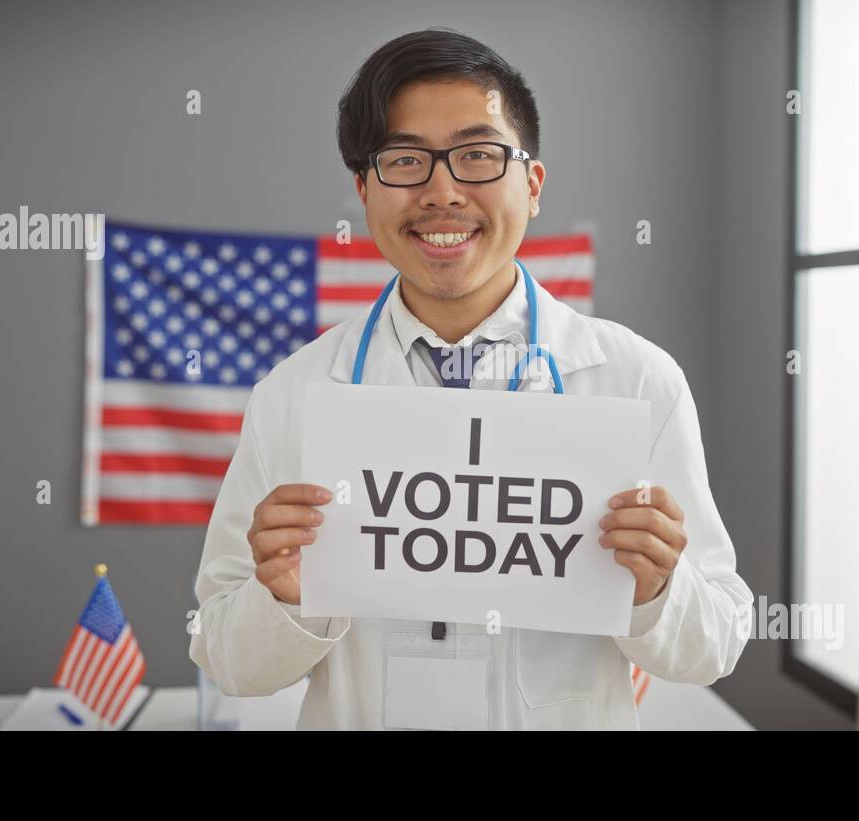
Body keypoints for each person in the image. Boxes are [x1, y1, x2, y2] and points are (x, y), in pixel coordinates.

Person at [189, 27, 752, 730]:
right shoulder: (291, 395)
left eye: (478, 155)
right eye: (404, 161)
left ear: (533, 183)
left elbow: (719, 639)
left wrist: (658, 587)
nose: (443, 191)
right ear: (364, 191)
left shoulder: (638, 383)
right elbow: (223, 653)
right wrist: (284, 598)